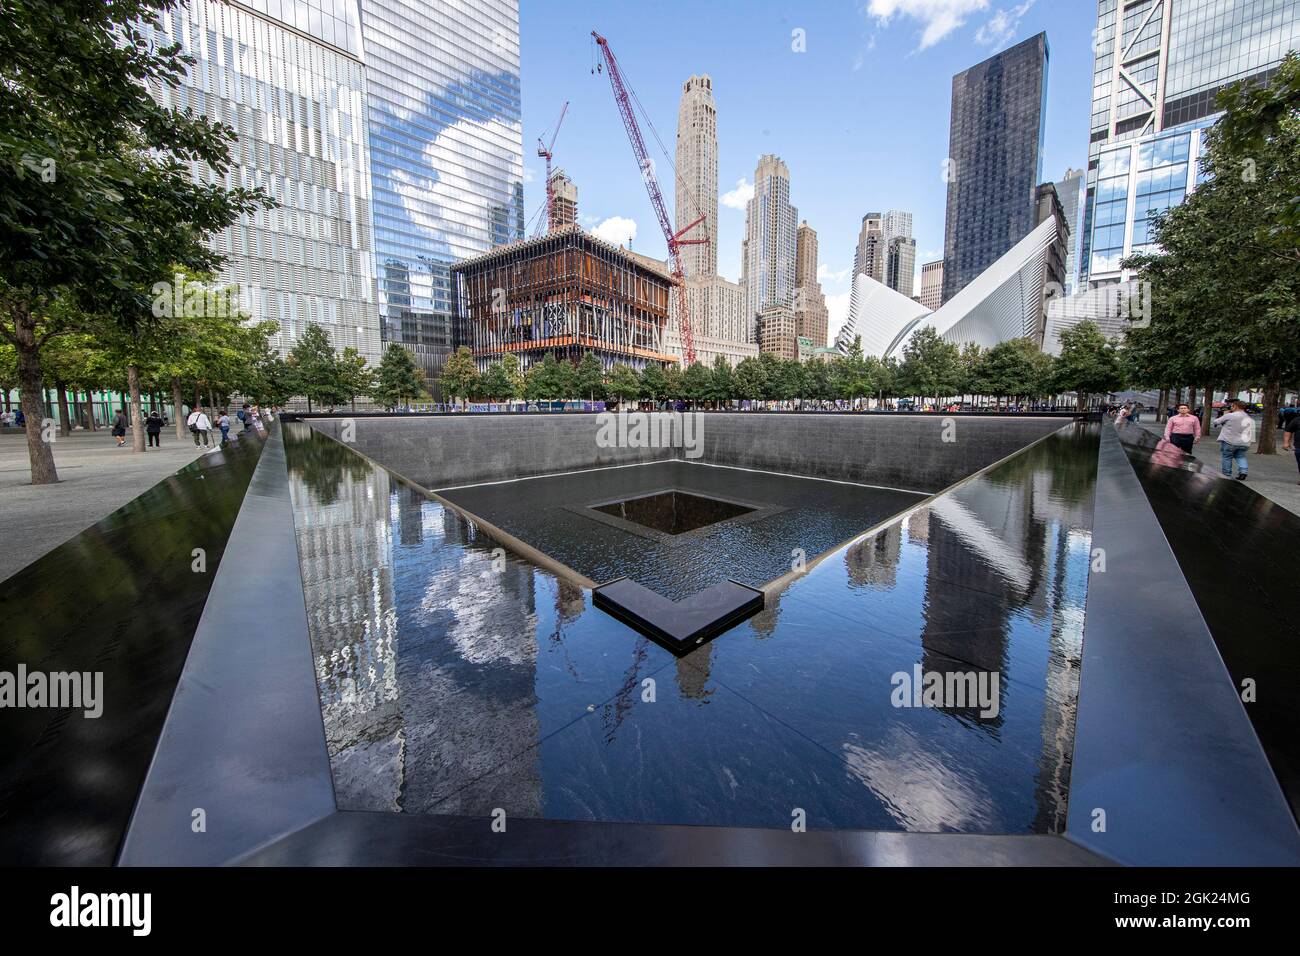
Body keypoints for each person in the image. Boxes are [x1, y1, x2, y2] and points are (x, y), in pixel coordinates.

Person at [1211, 399, 1255, 480]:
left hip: (1230, 441)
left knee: (1227, 457)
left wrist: (1224, 415)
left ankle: (1226, 474)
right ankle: (1243, 472)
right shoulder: (1249, 418)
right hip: (1244, 442)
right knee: (1241, 456)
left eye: (1232, 406)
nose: (1231, 407)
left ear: (1235, 406)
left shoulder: (1230, 415)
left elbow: (1216, 422)